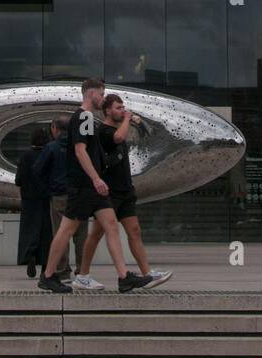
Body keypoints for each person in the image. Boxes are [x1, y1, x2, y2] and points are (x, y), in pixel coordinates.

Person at [38, 78, 153, 294]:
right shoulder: (82, 116)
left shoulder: (88, 118)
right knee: (66, 230)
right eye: (101, 94)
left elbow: (90, 150)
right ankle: (48, 276)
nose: (103, 98)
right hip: (83, 185)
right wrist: (96, 178)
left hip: (92, 185)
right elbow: (80, 151)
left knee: (111, 225)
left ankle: (123, 277)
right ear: (91, 94)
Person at [73, 93, 172, 291]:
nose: (122, 110)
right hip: (110, 192)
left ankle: (147, 274)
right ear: (108, 110)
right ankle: (82, 275)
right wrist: (128, 119)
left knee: (134, 231)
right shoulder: (104, 131)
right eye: (118, 107)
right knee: (96, 235)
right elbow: (118, 137)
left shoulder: (117, 129)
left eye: (123, 107)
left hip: (125, 190)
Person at [34, 115, 87, 282]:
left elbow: (37, 170)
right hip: (80, 195)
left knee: (60, 234)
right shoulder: (81, 147)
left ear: (55, 128)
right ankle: (82, 272)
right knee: (81, 236)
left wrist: (48, 187)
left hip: (59, 196)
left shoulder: (51, 147)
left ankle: (63, 272)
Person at [15, 127, 53, 279]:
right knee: (46, 232)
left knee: (29, 230)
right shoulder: (48, 154)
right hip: (46, 199)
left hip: (29, 200)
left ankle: (29, 256)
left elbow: (18, 180)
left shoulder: (25, 156)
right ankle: (45, 265)